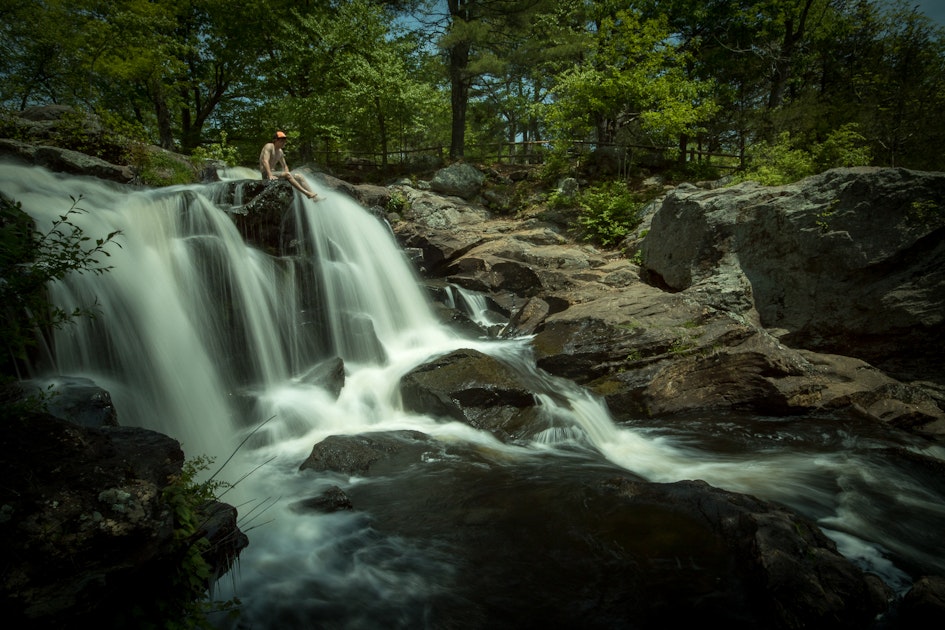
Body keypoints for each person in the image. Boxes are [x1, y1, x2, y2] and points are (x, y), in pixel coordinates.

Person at [259, 131, 322, 201]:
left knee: (299, 176)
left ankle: (315, 197)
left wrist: (288, 175)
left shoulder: (280, 151)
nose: (284, 143)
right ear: (275, 140)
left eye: (284, 141)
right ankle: (307, 193)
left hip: (274, 173)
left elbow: (285, 165)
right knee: (288, 174)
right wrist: (270, 175)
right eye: (281, 141)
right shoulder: (269, 146)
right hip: (266, 174)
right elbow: (265, 161)